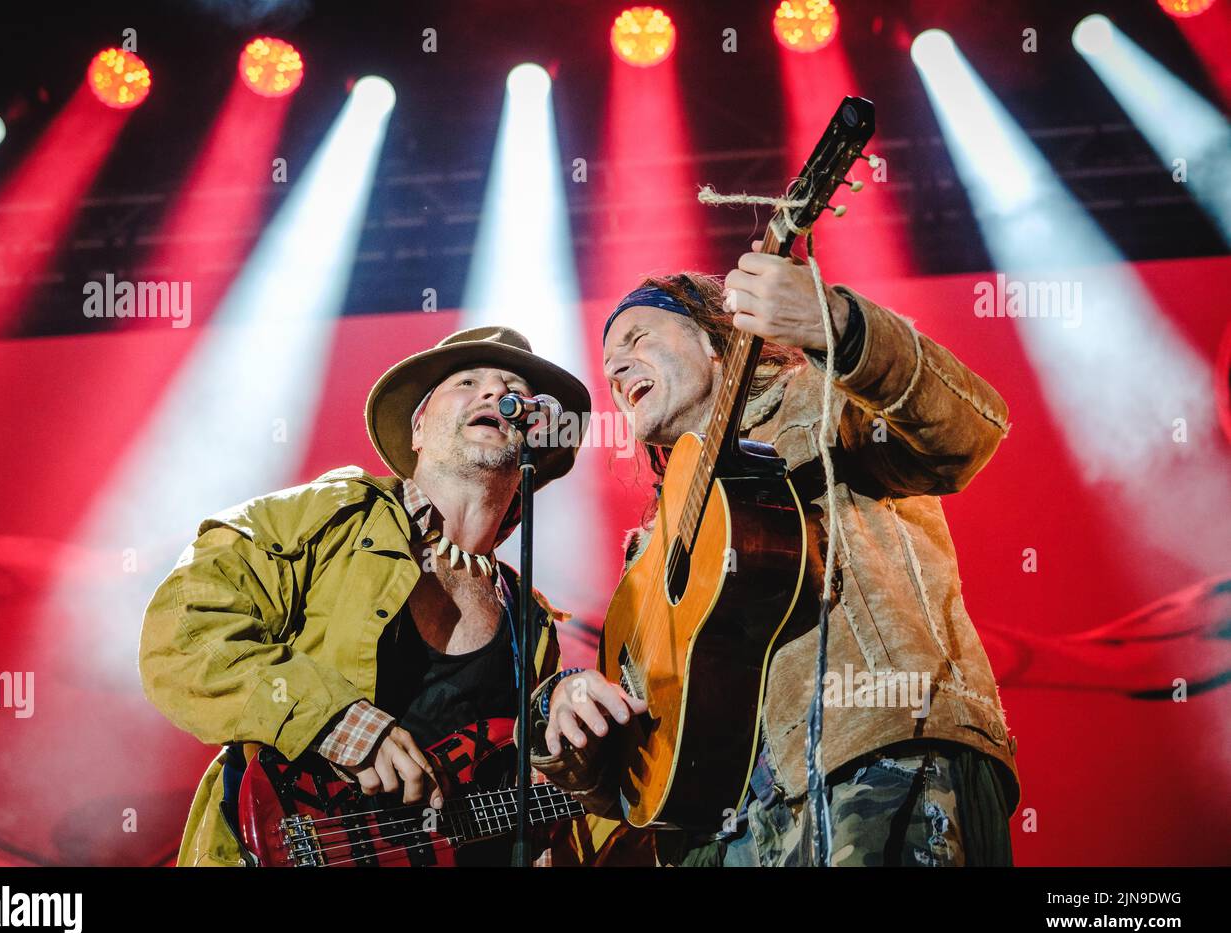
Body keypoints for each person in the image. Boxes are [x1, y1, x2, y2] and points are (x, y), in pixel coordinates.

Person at [533, 244, 1021, 866]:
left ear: (717, 341)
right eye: (608, 365)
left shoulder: (818, 399)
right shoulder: (647, 555)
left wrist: (839, 326)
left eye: (638, 337)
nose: (617, 368)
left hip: (868, 758)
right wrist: (568, 719)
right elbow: (631, 784)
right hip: (717, 836)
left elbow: (965, 431)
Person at [138, 325, 597, 866]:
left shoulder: (530, 618)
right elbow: (184, 632)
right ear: (418, 428)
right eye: (468, 381)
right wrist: (332, 720)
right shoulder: (327, 515)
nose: (495, 395)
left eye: (513, 388)